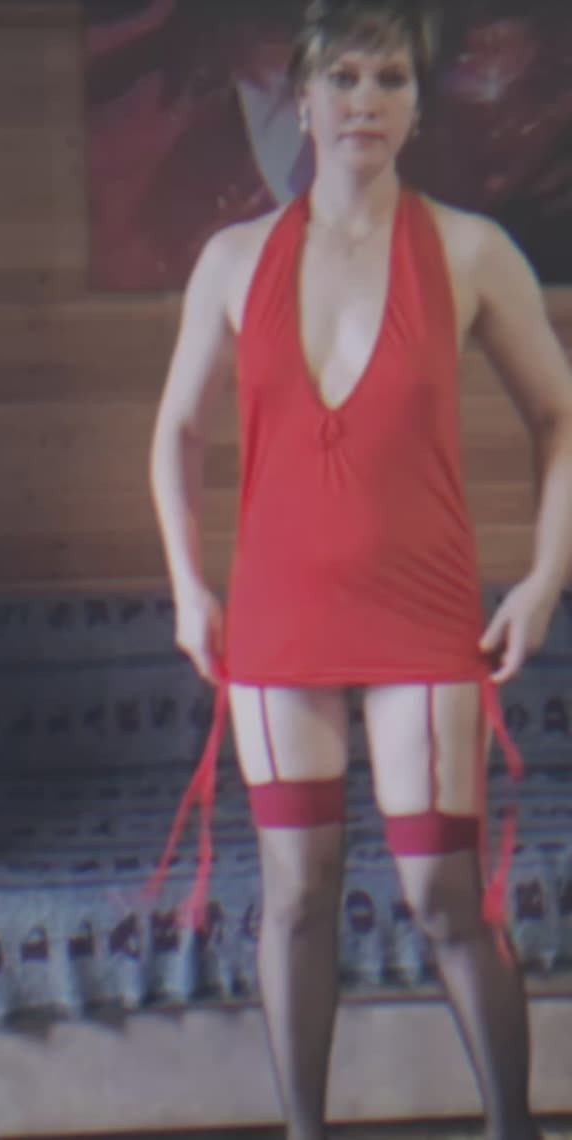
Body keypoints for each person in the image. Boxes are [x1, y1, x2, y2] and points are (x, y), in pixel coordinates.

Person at [149, 2, 572, 1138]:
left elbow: (561, 416)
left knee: (443, 895)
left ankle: (514, 1127)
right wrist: (188, 584)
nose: (365, 103)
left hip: (423, 615)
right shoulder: (233, 260)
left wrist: (543, 580)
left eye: (390, 81)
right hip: (280, 621)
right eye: (342, 80)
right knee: (296, 896)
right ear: (302, 99)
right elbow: (176, 430)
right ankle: (306, 1131)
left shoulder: (471, 250)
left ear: (417, 106)